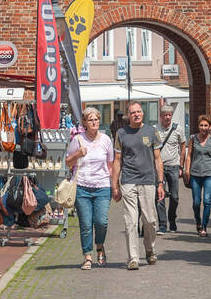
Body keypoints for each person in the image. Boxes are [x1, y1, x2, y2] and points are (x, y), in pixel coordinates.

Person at [111, 101, 164, 269]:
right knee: (131, 221)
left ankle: (150, 249)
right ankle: (133, 257)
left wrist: (160, 183)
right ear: (128, 115)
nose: (136, 114)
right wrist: (115, 185)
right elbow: (117, 161)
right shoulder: (121, 133)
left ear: (143, 113)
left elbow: (157, 159)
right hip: (128, 181)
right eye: (133, 112)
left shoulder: (152, 131)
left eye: (139, 111)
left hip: (148, 181)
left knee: (150, 220)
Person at [65, 107, 114, 270]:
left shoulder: (106, 140)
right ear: (85, 123)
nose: (94, 123)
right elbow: (68, 162)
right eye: (90, 120)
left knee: (101, 222)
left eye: (96, 120)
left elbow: (110, 164)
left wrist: (114, 185)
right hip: (82, 187)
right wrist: (78, 154)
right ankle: (87, 256)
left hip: (102, 187)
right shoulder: (77, 140)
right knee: (86, 224)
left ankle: (99, 246)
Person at [183, 112, 211, 237]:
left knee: (207, 201)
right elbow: (189, 155)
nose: (203, 128)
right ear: (198, 126)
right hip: (195, 174)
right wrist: (187, 169)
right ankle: (198, 222)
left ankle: (204, 227)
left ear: (210, 127)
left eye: (206, 125)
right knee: (196, 202)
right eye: (201, 125)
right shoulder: (192, 139)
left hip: (209, 174)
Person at [156, 104, 186, 232]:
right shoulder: (154, 130)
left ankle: (172, 218)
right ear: (161, 116)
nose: (168, 117)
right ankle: (162, 225)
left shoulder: (178, 129)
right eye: (165, 115)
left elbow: (183, 146)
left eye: (169, 115)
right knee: (159, 197)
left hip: (173, 166)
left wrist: (181, 165)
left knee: (175, 197)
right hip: (159, 168)